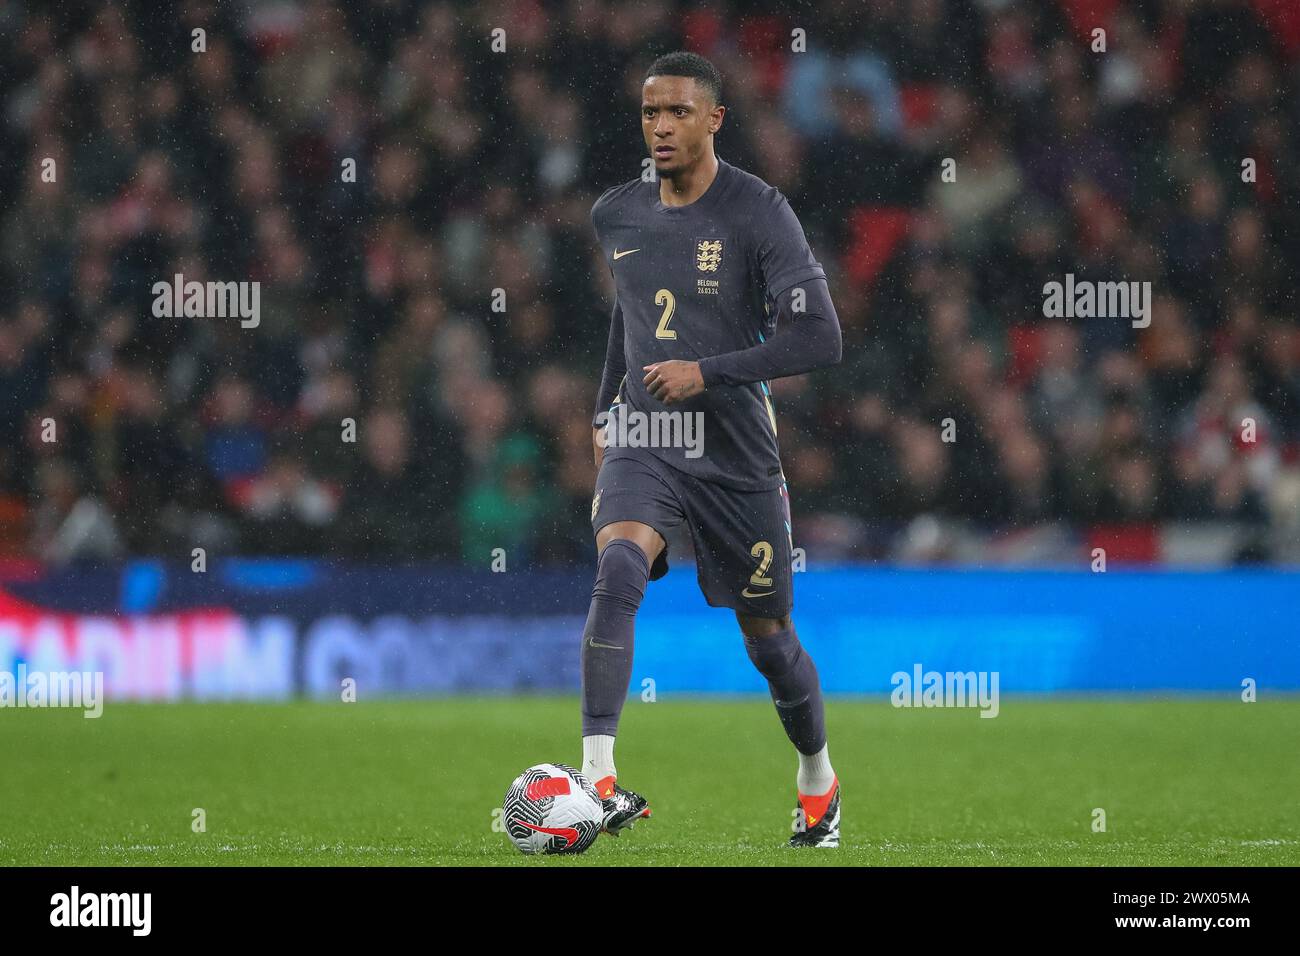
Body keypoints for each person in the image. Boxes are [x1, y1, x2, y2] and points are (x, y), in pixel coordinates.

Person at [582, 51, 844, 847]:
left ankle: (817, 779)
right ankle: (597, 778)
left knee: (769, 641)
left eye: (679, 113)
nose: (661, 127)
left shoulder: (759, 212)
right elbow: (627, 320)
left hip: (734, 453)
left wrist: (711, 372)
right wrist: (604, 417)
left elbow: (820, 337)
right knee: (619, 565)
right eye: (650, 113)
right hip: (646, 434)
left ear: (715, 120)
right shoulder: (616, 214)